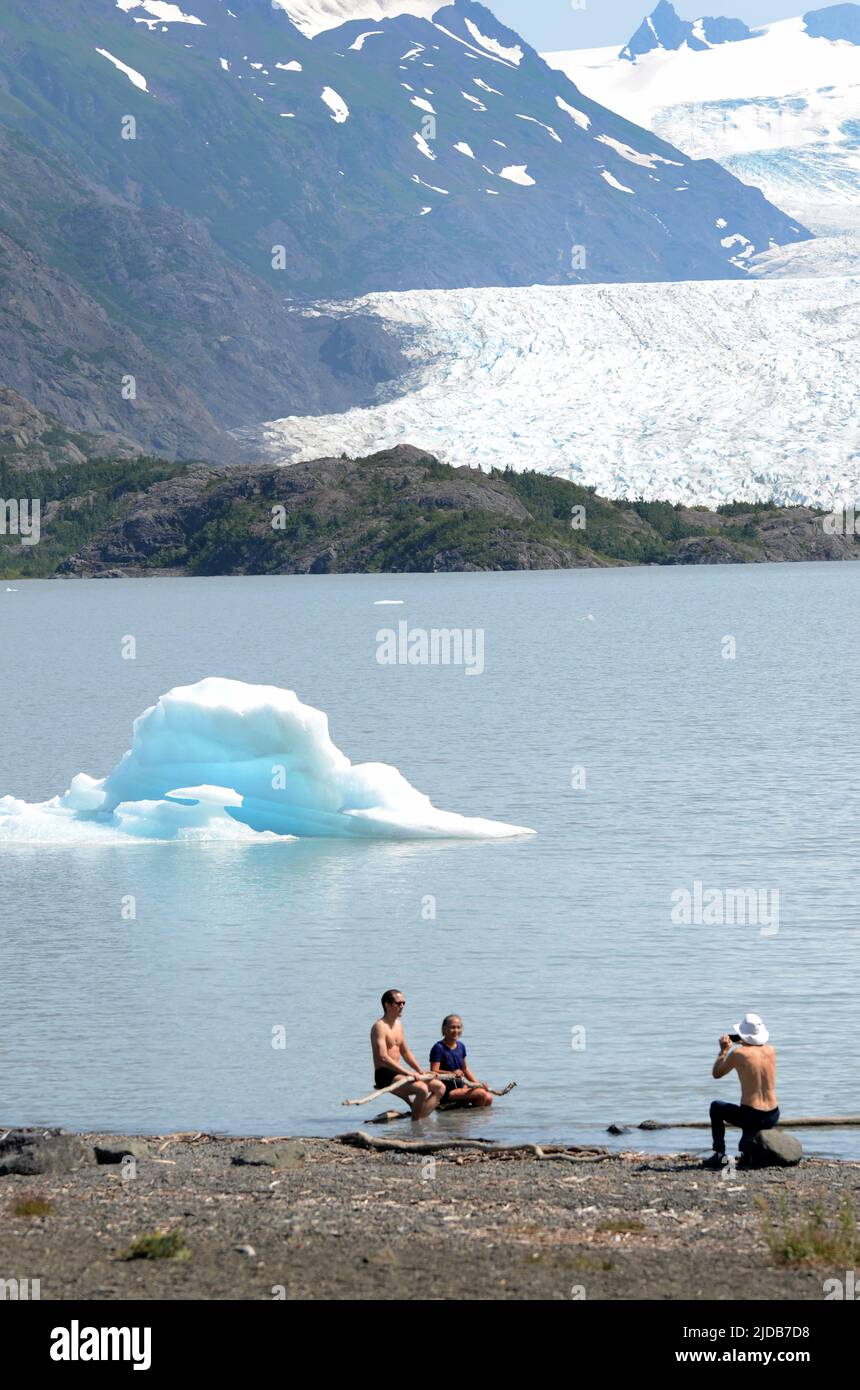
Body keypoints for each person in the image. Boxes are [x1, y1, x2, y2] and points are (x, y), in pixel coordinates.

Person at [702, 1012, 780, 1169]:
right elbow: (754, 1052)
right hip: (773, 1115)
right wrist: (744, 1040)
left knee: (716, 1107)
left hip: (752, 1116)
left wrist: (724, 1051)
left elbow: (717, 1073)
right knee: (749, 1117)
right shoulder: (771, 1050)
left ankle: (719, 1154)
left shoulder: (738, 1053)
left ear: (742, 1035)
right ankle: (749, 1151)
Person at [370, 989, 446, 1122]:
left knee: (440, 1087)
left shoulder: (399, 1025)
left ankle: (418, 1118)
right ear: (387, 1005)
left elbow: (405, 1052)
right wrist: (408, 1073)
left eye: (403, 1003)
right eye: (398, 1003)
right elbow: (383, 1056)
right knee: (422, 1089)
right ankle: (415, 1126)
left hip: (399, 1072)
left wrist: (419, 1070)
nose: (402, 1006)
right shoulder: (379, 1027)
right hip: (384, 1074)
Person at [429, 1014, 493, 1108]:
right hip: (447, 1091)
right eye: (452, 1027)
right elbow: (434, 1071)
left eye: (458, 1027)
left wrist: (478, 1084)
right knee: (481, 1094)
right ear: (444, 1029)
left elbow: (465, 1069)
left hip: (462, 1087)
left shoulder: (461, 1046)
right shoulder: (438, 1048)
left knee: (488, 1097)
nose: (456, 1030)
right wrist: (452, 1073)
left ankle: (472, 1119)